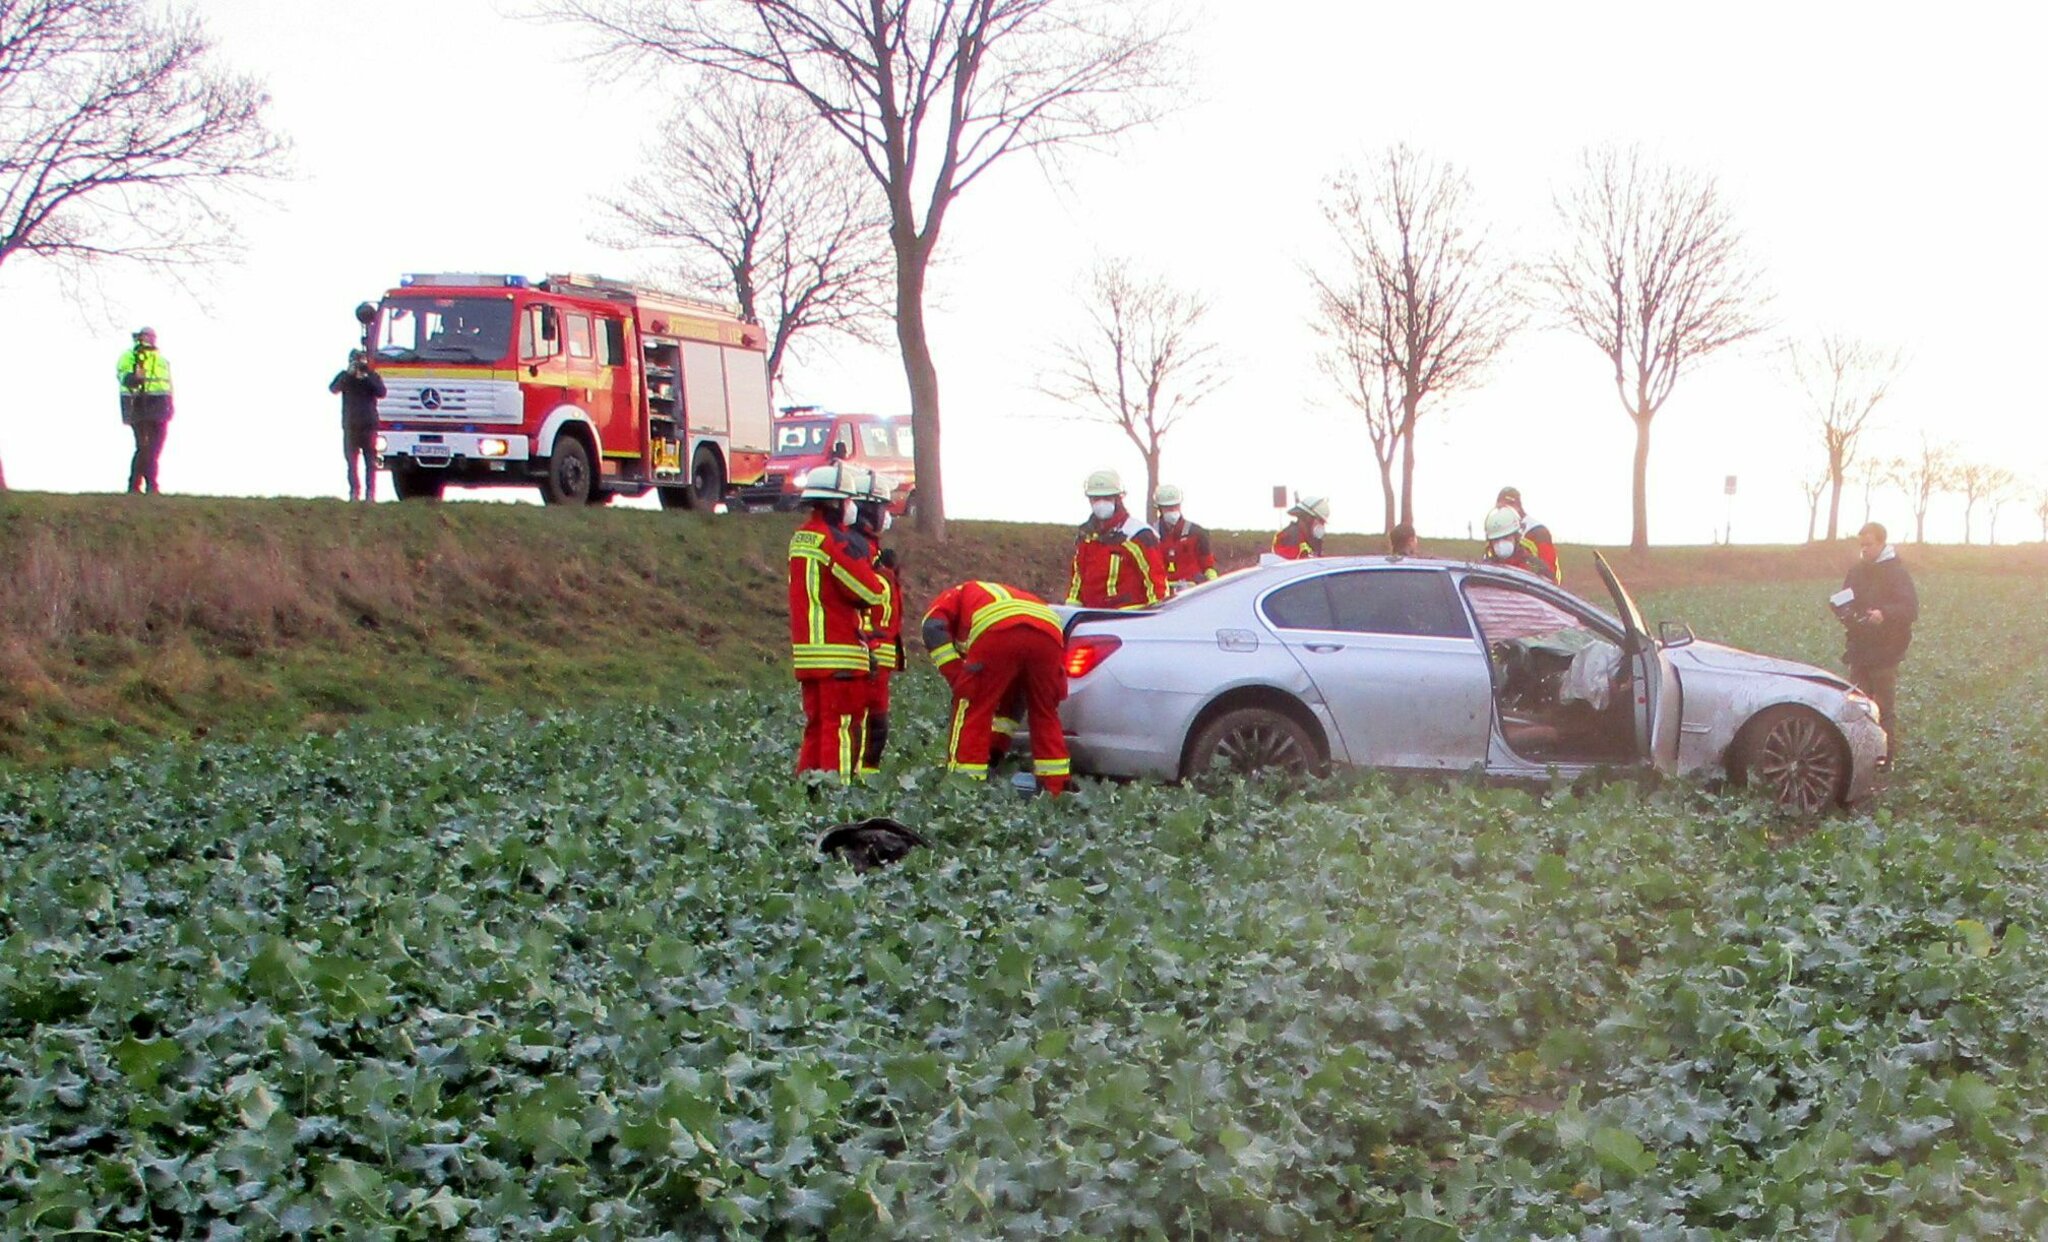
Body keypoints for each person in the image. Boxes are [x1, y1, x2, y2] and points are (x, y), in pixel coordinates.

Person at [787, 463, 889, 782]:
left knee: (817, 726)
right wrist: (883, 579)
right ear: (835, 503)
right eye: (848, 501)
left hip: (809, 653)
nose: (852, 507)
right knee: (843, 728)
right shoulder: (835, 541)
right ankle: (837, 795)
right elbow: (868, 591)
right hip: (840, 651)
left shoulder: (801, 538)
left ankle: (809, 789)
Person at [922, 579, 1071, 795]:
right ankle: (1057, 790)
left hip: (999, 627)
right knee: (1045, 712)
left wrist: (957, 677)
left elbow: (931, 627)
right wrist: (996, 750)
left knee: (972, 707)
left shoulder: (954, 596)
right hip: (1049, 630)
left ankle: (963, 785)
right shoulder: (994, 595)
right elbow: (1013, 703)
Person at [1838, 521, 1917, 759]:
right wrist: (1843, 611)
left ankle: (1885, 758)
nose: (1864, 549)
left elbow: (1910, 609)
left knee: (1883, 709)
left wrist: (1884, 614)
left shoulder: (1897, 573)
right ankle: (1859, 757)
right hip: (1859, 649)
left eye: (1869, 545)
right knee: (1856, 708)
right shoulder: (1856, 571)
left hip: (1886, 651)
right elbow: (1845, 597)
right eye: (1861, 545)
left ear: (1882, 543)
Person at [852, 473, 903, 775]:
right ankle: (859, 779)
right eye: (883, 508)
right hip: (869, 654)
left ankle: (866, 780)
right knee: (866, 724)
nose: (887, 515)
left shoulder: (871, 552)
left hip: (877, 657)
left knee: (876, 726)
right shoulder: (859, 551)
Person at [1067, 469, 1167, 609]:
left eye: (1107, 498)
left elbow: (1155, 581)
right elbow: (1077, 578)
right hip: (1092, 615)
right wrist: (1071, 610)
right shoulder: (1087, 534)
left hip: (1128, 618)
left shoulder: (1137, 533)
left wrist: (1156, 615)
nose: (1101, 503)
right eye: (1096, 499)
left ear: (1118, 499)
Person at [116, 327, 174, 494]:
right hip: (139, 404)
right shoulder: (130, 356)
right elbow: (123, 377)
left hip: (160, 406)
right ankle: (139, 485)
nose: (151, 338)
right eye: (147, 335)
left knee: (155, 448)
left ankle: (147, 485)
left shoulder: (162, 359)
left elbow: (168, 385)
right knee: (144, 446)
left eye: (153, 336)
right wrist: (134, 378)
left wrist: (171, 405)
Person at [329, 350, 389, 502]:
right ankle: (354, 492)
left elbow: (381, 392)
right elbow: (333, 388)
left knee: (370, 461)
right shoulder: (345, 377)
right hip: (351, 425)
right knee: (351, 461)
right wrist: (349, 375)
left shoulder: (372, 376)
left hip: (368, 425)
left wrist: (366, 377)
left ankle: (370, 494)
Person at [1153, 484, 1218, 590]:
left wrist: (1213, 584)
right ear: (1160, 508)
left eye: (1175, 506)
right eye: (1168, 507)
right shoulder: (1151, 535)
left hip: (1193, 592)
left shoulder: (1197, 533)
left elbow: (1208, 566)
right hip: (1163, 593)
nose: (1172, 510)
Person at [1496, 486, 1560, 583]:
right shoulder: (1498, 531)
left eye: (1508, 507)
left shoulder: (1537, 531)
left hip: (1530, 589)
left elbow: (1550, 573)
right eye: (1500, 508)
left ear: (1518, 506)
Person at [1480, 506, 1550, 578]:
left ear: (1516, 537)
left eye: (1506, 537)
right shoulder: (1485, 569)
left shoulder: (1536, 567)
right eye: (1496, 540)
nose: (1501, 544)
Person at [1272, 496, 1329, 560]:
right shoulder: (1290, 537)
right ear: (1308, 518)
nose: (1322, 526)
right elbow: (1291, 567)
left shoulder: (1311, 541)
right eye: (1320, 521)